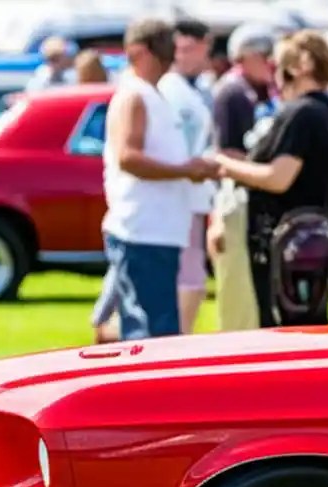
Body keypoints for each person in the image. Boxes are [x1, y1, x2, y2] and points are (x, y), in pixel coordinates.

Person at [214, 30, 328, 327]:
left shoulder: (301, 113)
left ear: (296, 68)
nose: (272, 74)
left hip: (290, 246)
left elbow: (279, 178)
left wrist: (225, 166)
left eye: (276, 65)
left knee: (284, 333)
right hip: (315, 240)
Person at [102, 18, 217, 341]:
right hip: (142, 231)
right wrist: (186, 170)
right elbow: (128, 157)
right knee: (148, 332)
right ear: (140, 51)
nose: (171, 55)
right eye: (164, 47)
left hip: (159, 232)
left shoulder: (154, 94)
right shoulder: (134, 96)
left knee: (159, 329)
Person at [159, 18, 215, 334]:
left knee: (192, 280)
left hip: (190, 196)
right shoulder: (170, 89)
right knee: (189, 281)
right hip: (178, 197)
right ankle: (175, 344)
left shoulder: (191, 89)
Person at [212, 23, 275, 157]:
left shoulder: (265, 89)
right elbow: (226, 150)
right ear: (244, 57)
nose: (269, 62)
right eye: (264, 56)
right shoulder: (231, 92)